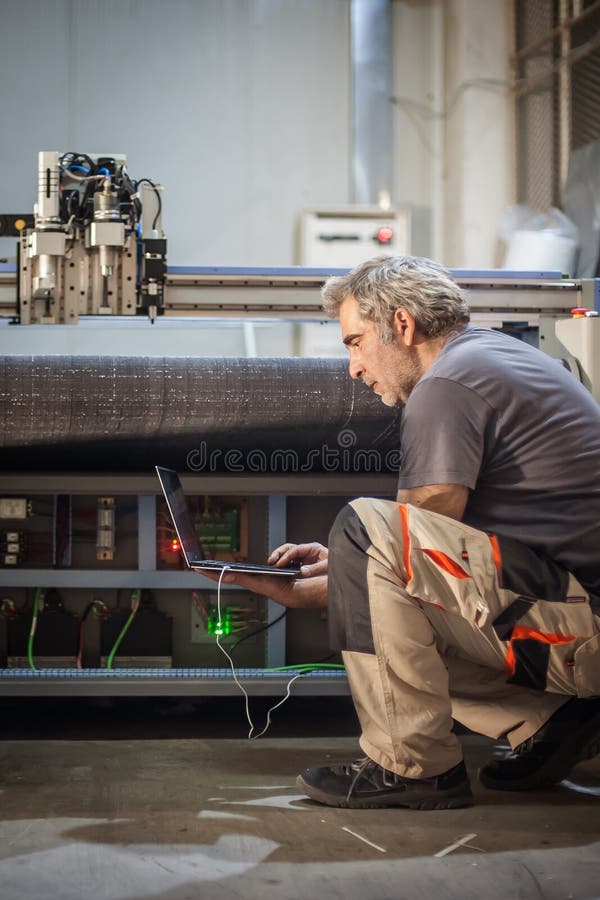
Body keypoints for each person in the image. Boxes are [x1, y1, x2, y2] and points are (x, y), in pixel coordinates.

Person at [216, 254, 600, 810]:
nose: (353, 367)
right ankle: (556, 721)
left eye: (354, 342)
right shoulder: (495, 356)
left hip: (581, 630)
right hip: (573, 611)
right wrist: (349, 567)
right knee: (373, 551)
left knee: (363, 526)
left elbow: (410, 542)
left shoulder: (447, 385)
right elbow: (426, 554)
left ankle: (413, 768)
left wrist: (329, 580)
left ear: (401, 325)